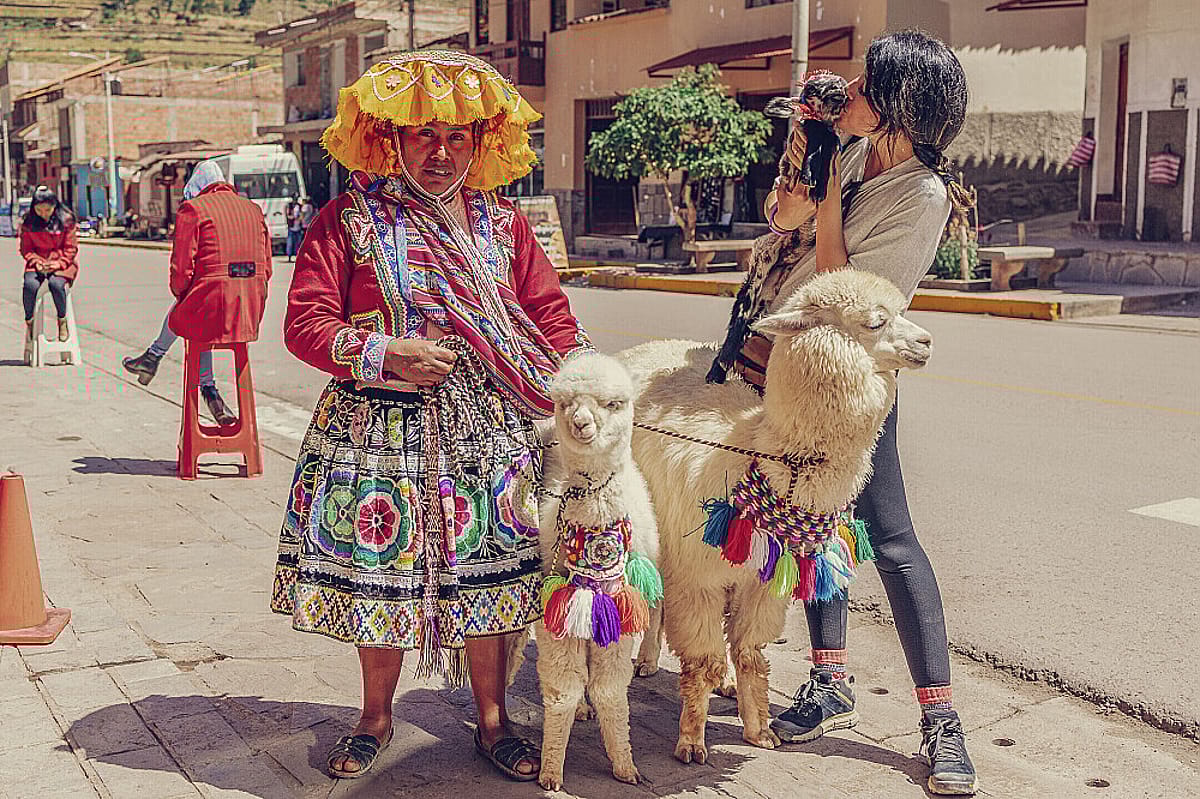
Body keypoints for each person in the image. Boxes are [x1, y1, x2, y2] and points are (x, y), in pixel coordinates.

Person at [270, 51, 592, 783]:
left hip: (489, 433)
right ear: (391, 140)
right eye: (424, 136)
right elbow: (304, 323)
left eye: (456, 138)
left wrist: (583, 384)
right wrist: (385, 350)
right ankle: (375, 718)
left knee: (494, 576)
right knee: (381, 578)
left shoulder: (504, 226)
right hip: (379, 434)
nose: (440, 153)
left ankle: (493, 721)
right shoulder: (347, 221)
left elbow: (551, 319)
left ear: (479, 143)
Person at [708, 30, 977, 797]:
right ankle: (829, 682)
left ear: (899, 106)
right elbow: (779, 218)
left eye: (866, 87)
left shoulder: (922, 195)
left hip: (855, 384)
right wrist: (807, 152)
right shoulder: (849, 149)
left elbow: (840, 283)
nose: (849, 91)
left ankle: (940, 719)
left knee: (890, 538)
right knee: (812, 524)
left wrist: (825, 184)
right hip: (792, 366)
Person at [122, 161, 272, 426]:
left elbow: (181, 270)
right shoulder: (254, 209)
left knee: (191, 314)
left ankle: (192, 379)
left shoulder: (194, 209)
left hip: (212, 304)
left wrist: (181, 293)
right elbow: (268, 267)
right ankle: (192, 381)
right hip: (250, 308)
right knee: (196, 315)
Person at [20, 185, 78, 342]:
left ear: (54, 206)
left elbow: (71, 248)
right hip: (37, 262)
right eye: (39, 211)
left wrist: (58, 264)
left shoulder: (66, 220)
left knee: (56, 285)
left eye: (47, 210)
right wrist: (36, 262)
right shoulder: (28, 222)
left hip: (61, 263)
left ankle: (62, 319)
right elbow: (26, 249)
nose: (43, 214)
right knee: (29, 285)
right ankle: (30, 321)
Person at [285, 195, 304, 260]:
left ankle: (297, 256)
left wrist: (299, 218)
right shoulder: (289, 206)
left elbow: (302, 215)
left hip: (298, 227)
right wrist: (292, 218)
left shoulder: (300, 206)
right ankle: (289, 256)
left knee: (298, 243)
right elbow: (287, 215)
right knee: (290, 243)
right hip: (291, 227)